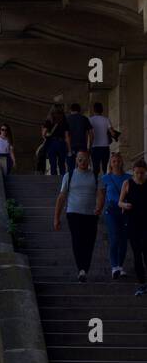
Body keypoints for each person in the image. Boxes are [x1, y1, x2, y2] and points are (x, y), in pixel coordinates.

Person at [54, 149, 99, 282]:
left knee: (89, 242)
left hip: (90, 215)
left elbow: (101, 194)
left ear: (89, 160)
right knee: (77, 240)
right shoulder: (69, 176)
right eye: (80, 159)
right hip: (73, 213)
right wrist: (56, 217)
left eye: (85, 159)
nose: (83, 162)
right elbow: (62, 197)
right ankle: (81, 269)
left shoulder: (96, 176)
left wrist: (99, 207)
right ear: (76, 160)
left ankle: (85, 267)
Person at [96, 151, 131, 279]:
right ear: (110, 163)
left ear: (121, 162)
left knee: (123, 240)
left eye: (118, 161)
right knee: (114, 238)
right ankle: (114, 266)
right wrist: (98, 208)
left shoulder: (128, 177)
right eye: (113, 161)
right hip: (111, 211)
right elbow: (101, 196)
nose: (116, 163)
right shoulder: (105, 178)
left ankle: (120, 267)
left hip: (125, 211)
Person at [119, 159, 147, 296]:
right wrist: (125, 205)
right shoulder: (127, 183)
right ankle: (142, 283)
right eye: (137, 173)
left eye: (142, 173)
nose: (139, 175)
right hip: (133, 223)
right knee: (137, 254)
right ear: (133, 172)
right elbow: (120, 202)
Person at [65, 103, 93, 176]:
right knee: (83, 168)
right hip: (82, 146)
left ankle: (70, 185)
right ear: (79, 110)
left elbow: (67, 135)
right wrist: (89, 146)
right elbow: (91, 134)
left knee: (70, 170)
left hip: (71, 146)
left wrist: (69, 149)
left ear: (70, 110)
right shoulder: (84, 119)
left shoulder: (67, 119)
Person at [89, 102, 116, 176]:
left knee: (95, 168)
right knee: (105, 167)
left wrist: (89, 146)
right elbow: (113, 133)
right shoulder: (106, 119)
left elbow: (89, 133)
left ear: (93, 110)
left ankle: (95, 184)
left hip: (95, 146)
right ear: (102, 110)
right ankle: (106, 184)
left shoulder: (90, 120)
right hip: (105, 146)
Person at [43, 105, 68, 176]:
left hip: (51, 143)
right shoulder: (64, 120)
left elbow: (44, 133)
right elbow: (66, 135)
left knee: (53, 164)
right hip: (61, 143)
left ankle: (54, 181)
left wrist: (46, 137)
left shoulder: (49, 120)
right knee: (62, 164)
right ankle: (62, 182)